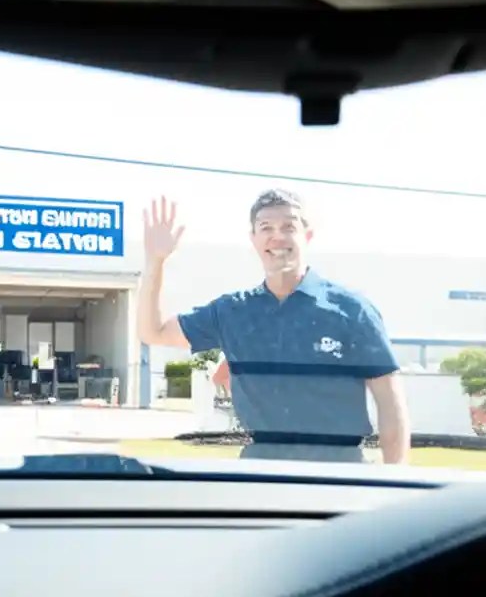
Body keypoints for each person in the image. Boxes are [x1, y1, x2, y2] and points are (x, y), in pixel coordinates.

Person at [138, 190, 411, 464]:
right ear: (253, 239)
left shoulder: (353, 311)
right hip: (261, 471)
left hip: (338, 473)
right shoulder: (231, 312)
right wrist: (155, 261)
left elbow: (391, 405)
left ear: (308, 235)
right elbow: (153, 332)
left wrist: (395, 479)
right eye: (265, 227)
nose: (276, 236)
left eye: (288, 227)